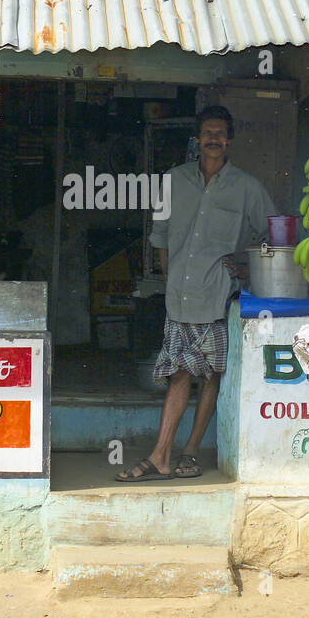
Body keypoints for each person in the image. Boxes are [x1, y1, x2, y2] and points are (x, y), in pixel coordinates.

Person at [117, 105, 277, 481]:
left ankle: (187, 452)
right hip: (179, 297)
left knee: (209, 376)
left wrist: (246, 267)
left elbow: (273, 232)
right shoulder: (174, 180)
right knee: (179, 375)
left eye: (221, 133)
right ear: (197, 139)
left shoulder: (246, 187)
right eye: (208, 133)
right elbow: (159, 237)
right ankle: (161, 454)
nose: (214, 139)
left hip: (218, 296)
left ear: (230, 140)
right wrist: (171, 274)